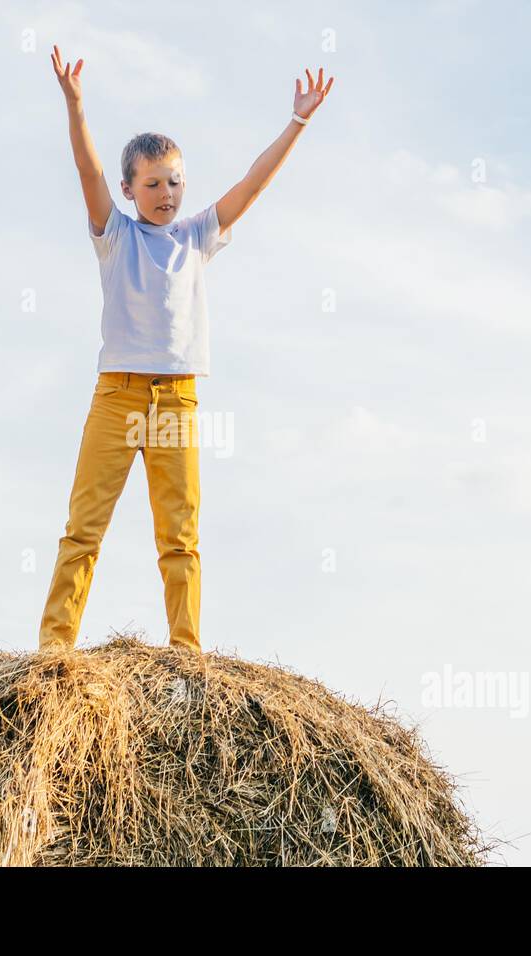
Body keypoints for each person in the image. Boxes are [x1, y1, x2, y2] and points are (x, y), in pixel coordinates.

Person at [38, 44, 335, 654]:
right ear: (129, 188)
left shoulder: (197, 235)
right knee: (83, 530)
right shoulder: (115, 234)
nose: (166, 192)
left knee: (180, 535)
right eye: (152, 183)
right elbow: (87, 172)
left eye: (174, 180)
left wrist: (298, 121)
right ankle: (55, 649)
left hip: (176, 401)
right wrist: (75, 106)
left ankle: (187, 651)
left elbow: (253, 182)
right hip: (117, 398)